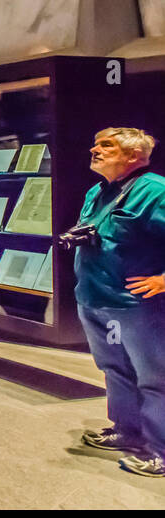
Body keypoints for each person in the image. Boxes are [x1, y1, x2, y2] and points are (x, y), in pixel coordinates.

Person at [72, 127, 165, 478]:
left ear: (134, 156)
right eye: (96, 144)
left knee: (155, 378)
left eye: (106, 146)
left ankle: (161, 451)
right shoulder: (97, 191)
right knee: (115, 370)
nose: (94, 149)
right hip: (96, 300)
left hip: (136, 307)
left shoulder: (154, 191)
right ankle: (127, 432)